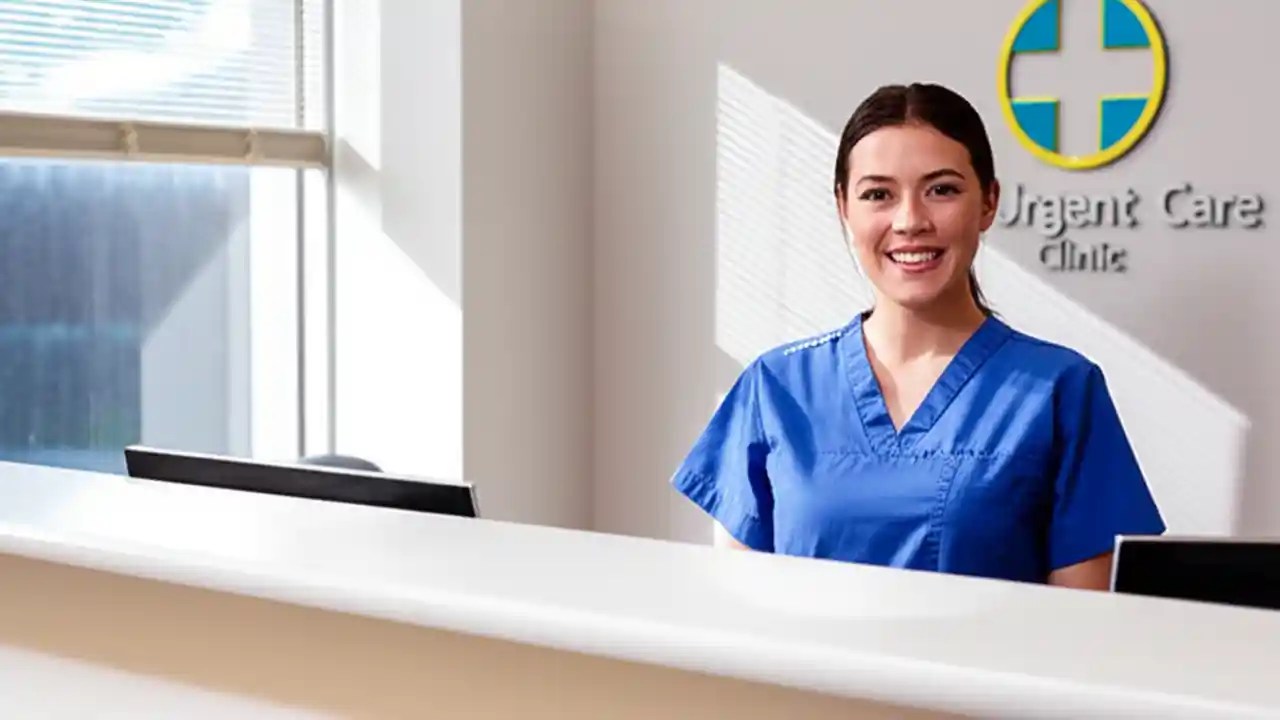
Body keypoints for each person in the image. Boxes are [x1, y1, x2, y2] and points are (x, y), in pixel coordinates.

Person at [670, 82, 1165, 590]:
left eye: (942, 190)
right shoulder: (776, 386)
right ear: (844, 207)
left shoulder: (1059, 391)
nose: (909, 221)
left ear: (989, 202)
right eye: (878, 195)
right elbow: (738, 616)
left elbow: (1081, 633)